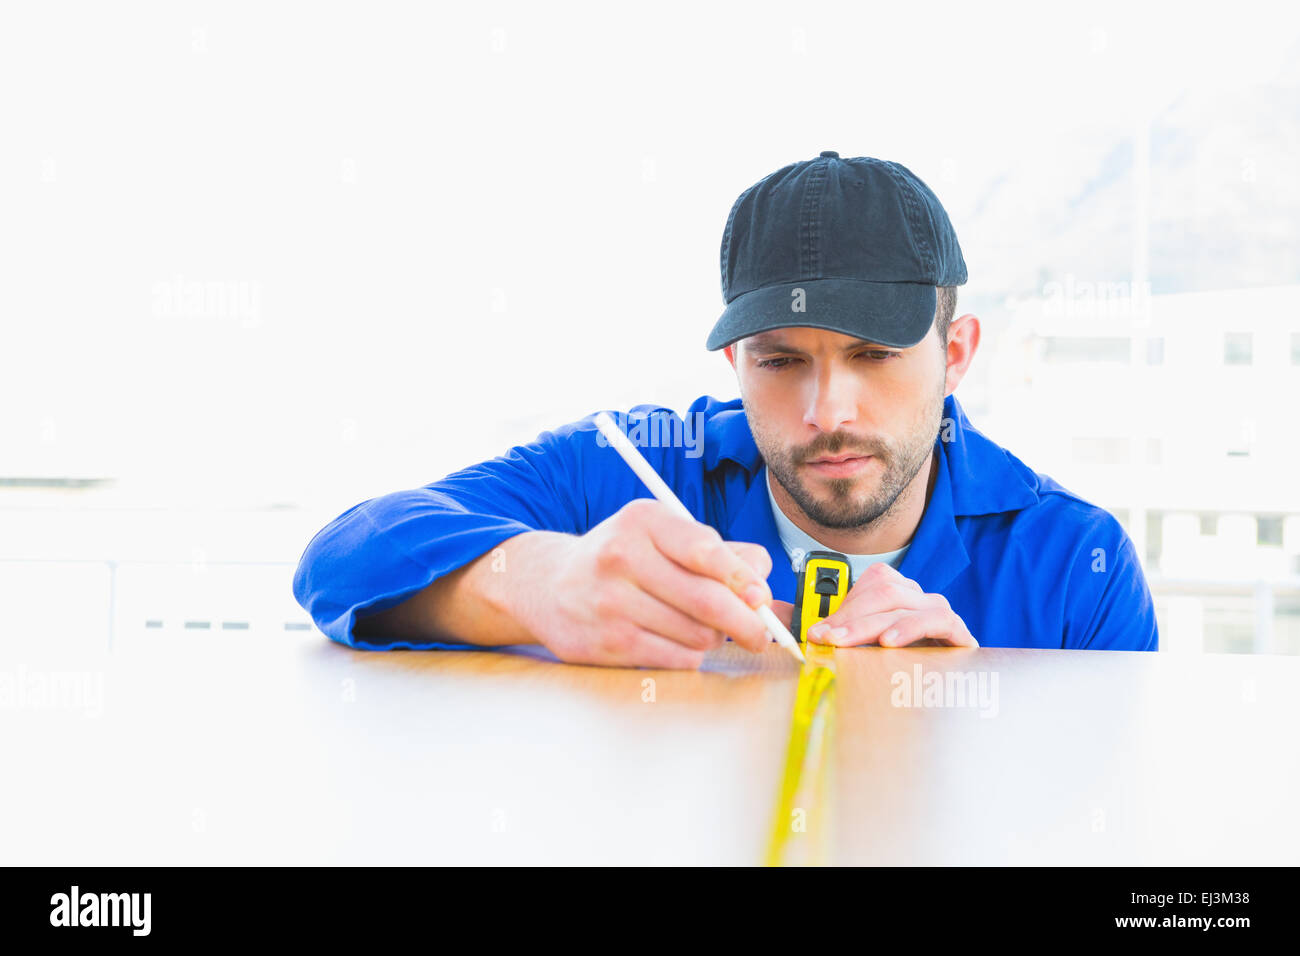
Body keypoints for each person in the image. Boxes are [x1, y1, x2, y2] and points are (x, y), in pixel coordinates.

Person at [292, 150, 1159, 667]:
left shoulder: (1075, 562)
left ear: (958, 353)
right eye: (783, 361)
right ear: (736, 362)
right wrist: (543, 584)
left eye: (875, 355)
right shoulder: (625, 472)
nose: (828, 411)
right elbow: (338, 561)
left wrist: (967, 725)